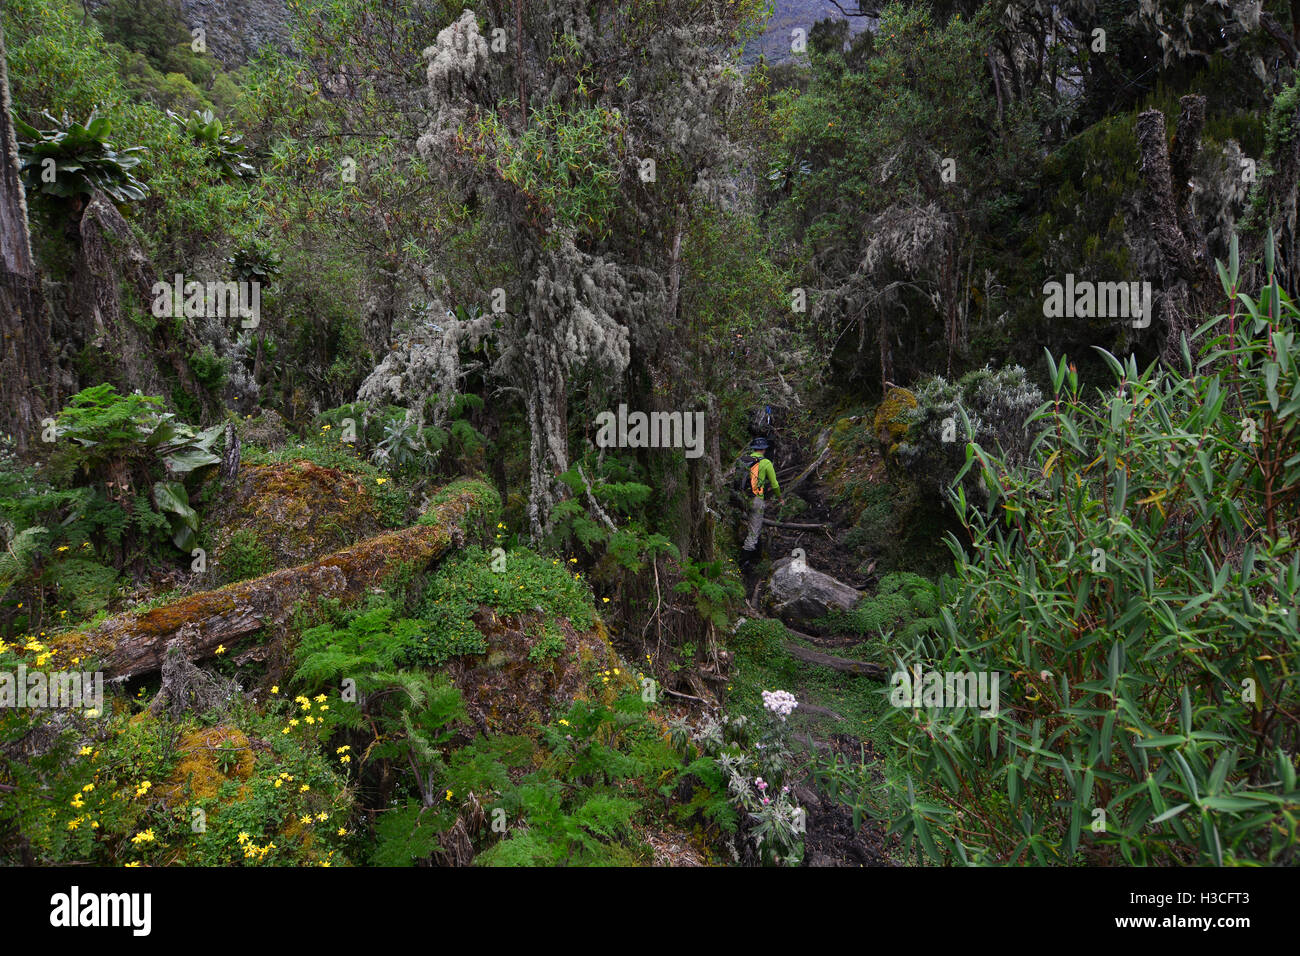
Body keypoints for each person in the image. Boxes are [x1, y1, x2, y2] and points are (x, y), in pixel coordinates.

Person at [738, 437, 782, 576]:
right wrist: (780, 498)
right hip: (756, 500)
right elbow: (775, 484)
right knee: (754, 531)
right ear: (764, 449)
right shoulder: (766, 462)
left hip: (741, 499)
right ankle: (743, 565)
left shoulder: (743, 460)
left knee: (749, 525)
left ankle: (753, 553)